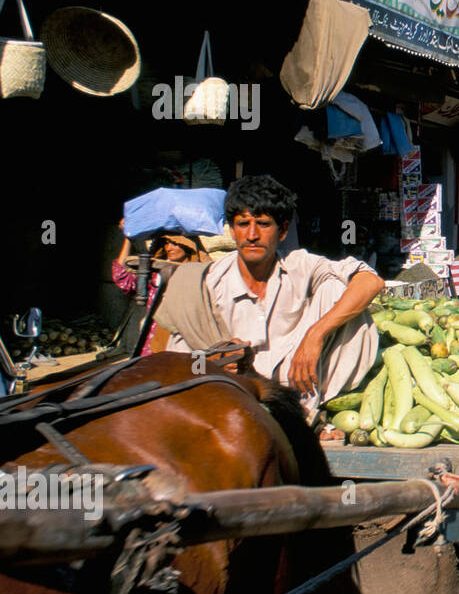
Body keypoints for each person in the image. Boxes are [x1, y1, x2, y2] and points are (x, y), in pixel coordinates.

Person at [164, 175, 384, 431]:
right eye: (243, 224)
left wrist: (315, 336)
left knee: (338, 288)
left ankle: (312, 410)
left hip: (300, 390)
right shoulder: (209, 284)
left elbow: (371, 282)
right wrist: (213, 360)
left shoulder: (299, 265)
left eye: (263, 224)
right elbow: (177, 364)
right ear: (232, 231)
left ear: (282, 231)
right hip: (236, 396)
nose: (252, 235)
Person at [111, 222, 207, 356]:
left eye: (175, 243)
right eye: (166, 243)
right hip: (156, 343)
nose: (169, 247)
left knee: (195, 372)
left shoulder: (201, 276)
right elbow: (121, 278)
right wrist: (128, 238)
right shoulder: (157, 276)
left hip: (190, 342)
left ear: (188, 245)